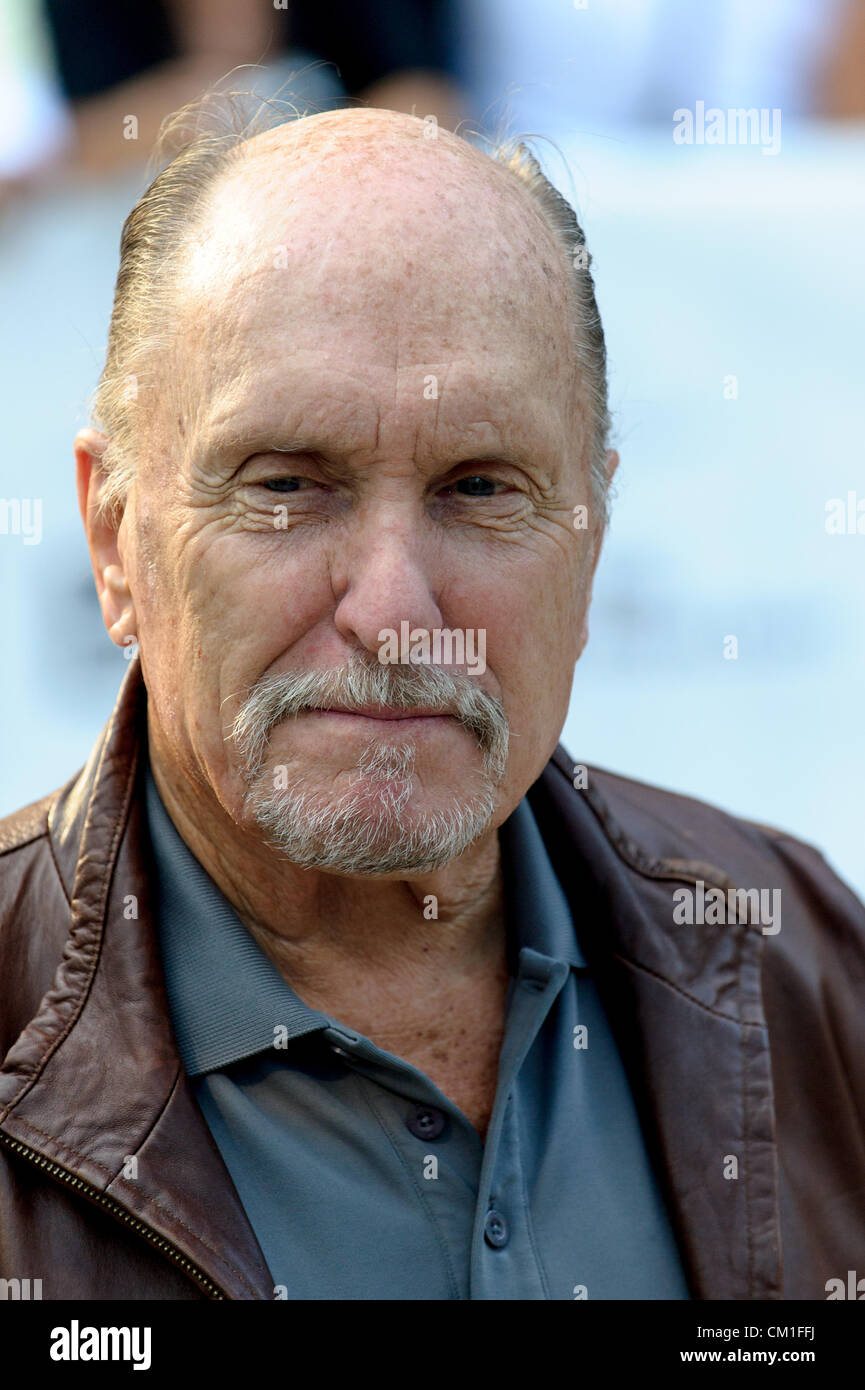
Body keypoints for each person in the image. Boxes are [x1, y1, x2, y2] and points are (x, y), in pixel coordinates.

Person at [0, 96, 863, 1302]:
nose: (395, 609)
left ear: (591, 534)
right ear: (113, 540)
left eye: (479, 486)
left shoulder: (803, 966)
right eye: (289, 483)